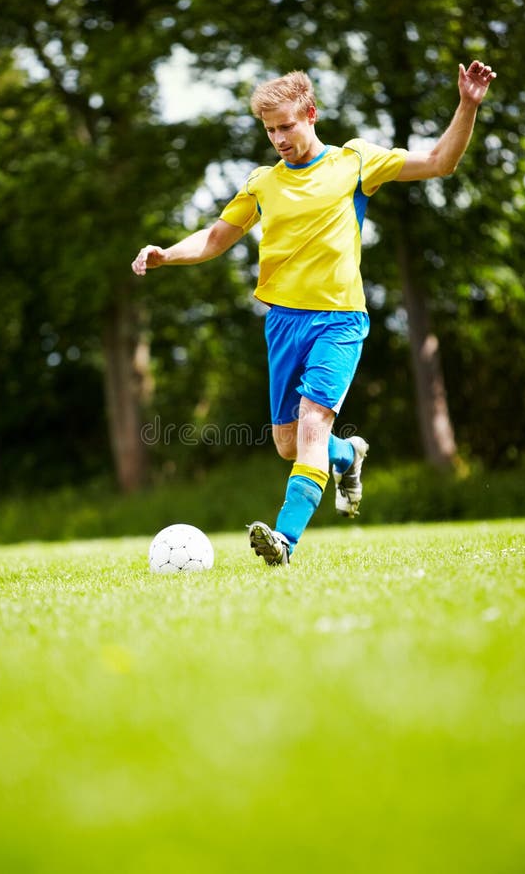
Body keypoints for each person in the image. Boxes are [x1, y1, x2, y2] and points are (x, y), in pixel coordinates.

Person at [132, 60, 496, 566]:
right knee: (289, 444)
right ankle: (349, 456)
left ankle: (284, 540)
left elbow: (439, 161)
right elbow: (217, 238)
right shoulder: (262, 183)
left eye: (287, 126)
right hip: (282, 323)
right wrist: (166, 253)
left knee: (310, 426)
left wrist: (467, 105)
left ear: (311, 114)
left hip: (339, 320)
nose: (279, 138)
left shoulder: (355, 162)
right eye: (270, 130)